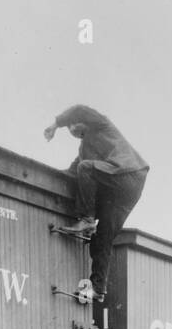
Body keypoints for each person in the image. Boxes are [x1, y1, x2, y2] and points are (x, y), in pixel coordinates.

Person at [44, 104, 149, 302]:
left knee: (87, 169)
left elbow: (81, 109)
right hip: (124, 193)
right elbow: (71, 173)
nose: (73, 129)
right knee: (103, 239)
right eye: (70, 129)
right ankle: (98, 288)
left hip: (130, 174)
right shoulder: (84, 151)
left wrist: (56, 124)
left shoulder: (101, 124)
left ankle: (87, 220)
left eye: (74, 125)